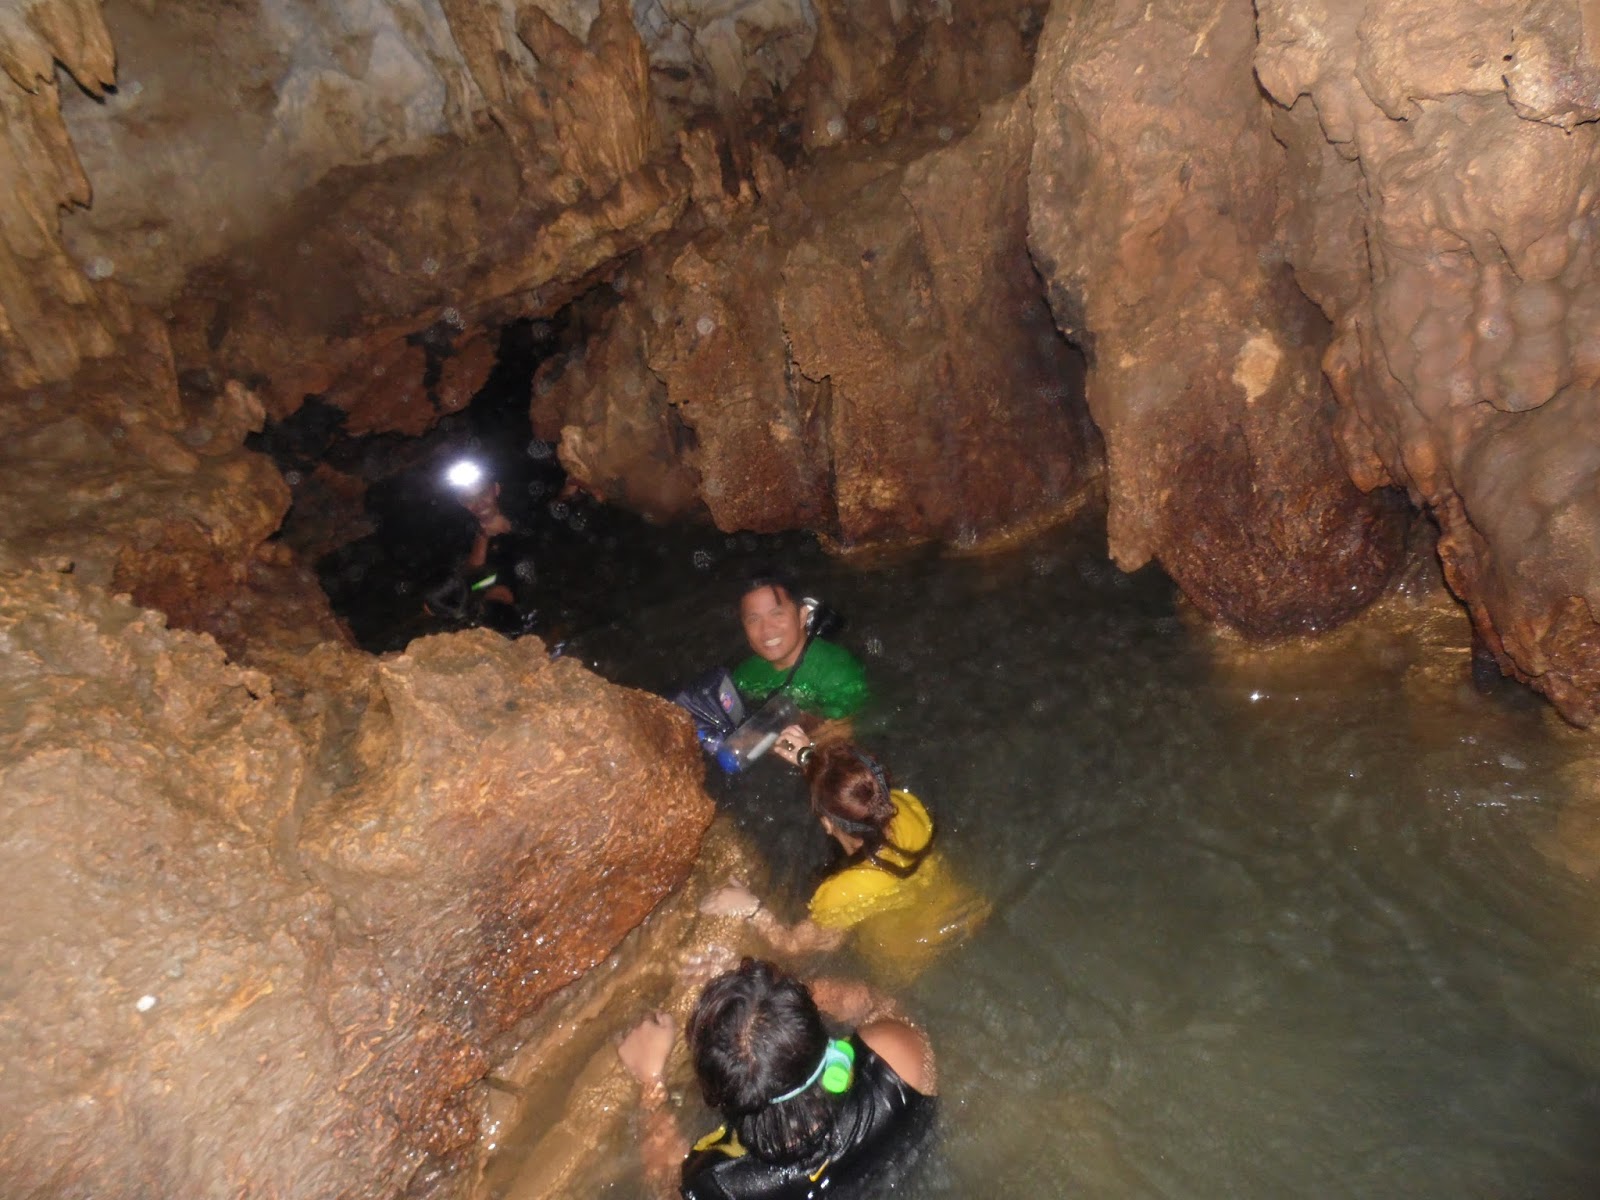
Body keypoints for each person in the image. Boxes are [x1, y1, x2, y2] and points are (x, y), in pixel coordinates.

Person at [617, 958, 936, 1199]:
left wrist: (650, 1082)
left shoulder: (717, 1184)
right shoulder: (898, 1058)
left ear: (716, 1094)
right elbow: (873, 1003)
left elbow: (664, 1180)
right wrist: (776, 1007)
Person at [703, 741, 988, 979]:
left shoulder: (841, 892)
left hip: (913, 960)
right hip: (967, 918)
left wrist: (751, 908)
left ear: (827, 824)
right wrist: (808, 757)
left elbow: (793, 945)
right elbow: (864, 799)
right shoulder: (904, 806)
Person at [731, 574, 868, 721]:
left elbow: (846, 732)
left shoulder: (839, 673)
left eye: (777, 614)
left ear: (802, 616)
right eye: (754, 619)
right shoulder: (744, 675)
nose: (766, 630)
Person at [426, 458, 538, 635]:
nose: (478, 504)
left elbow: (542, 527)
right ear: (461, 502)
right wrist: (483, 534)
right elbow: (467, 570)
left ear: (496, 489)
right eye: (468, 499)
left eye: (483, 494)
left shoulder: (523, 512)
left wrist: (510, 526)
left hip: (527, 593)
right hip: (491, 596)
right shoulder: (459, 532)